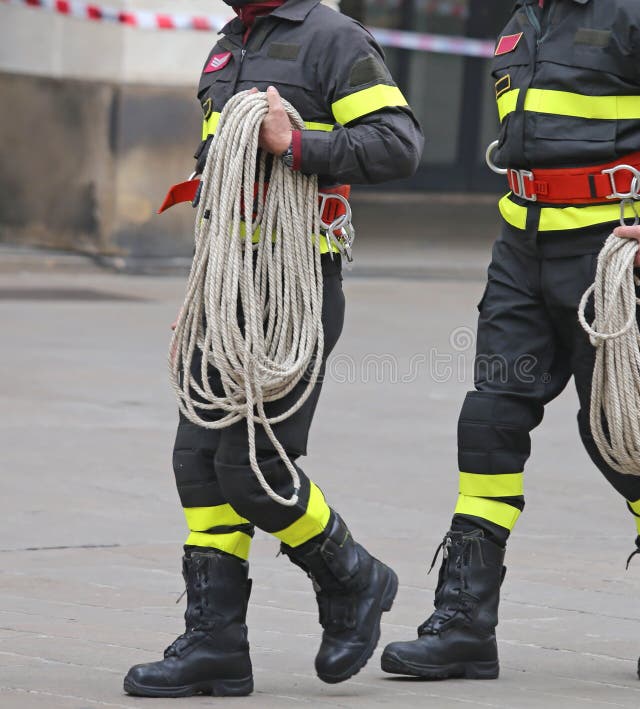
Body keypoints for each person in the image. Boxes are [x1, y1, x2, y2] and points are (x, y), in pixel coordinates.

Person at [381, 0, 640, 684]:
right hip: (521, 253)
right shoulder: (521, 22)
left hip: (612, 255)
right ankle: (464, 624)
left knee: (618, 436)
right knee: (489, 420)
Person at [124, 0, 423, 697]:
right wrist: (199, 292)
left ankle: (354, 574)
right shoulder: (229, 46)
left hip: (295, 287)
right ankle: (216, 644)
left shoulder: (334, 39)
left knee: (251, 466)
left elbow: (399, 143)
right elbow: (220, 180)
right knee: (196, 461)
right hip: (225, 286)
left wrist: (297, 145)